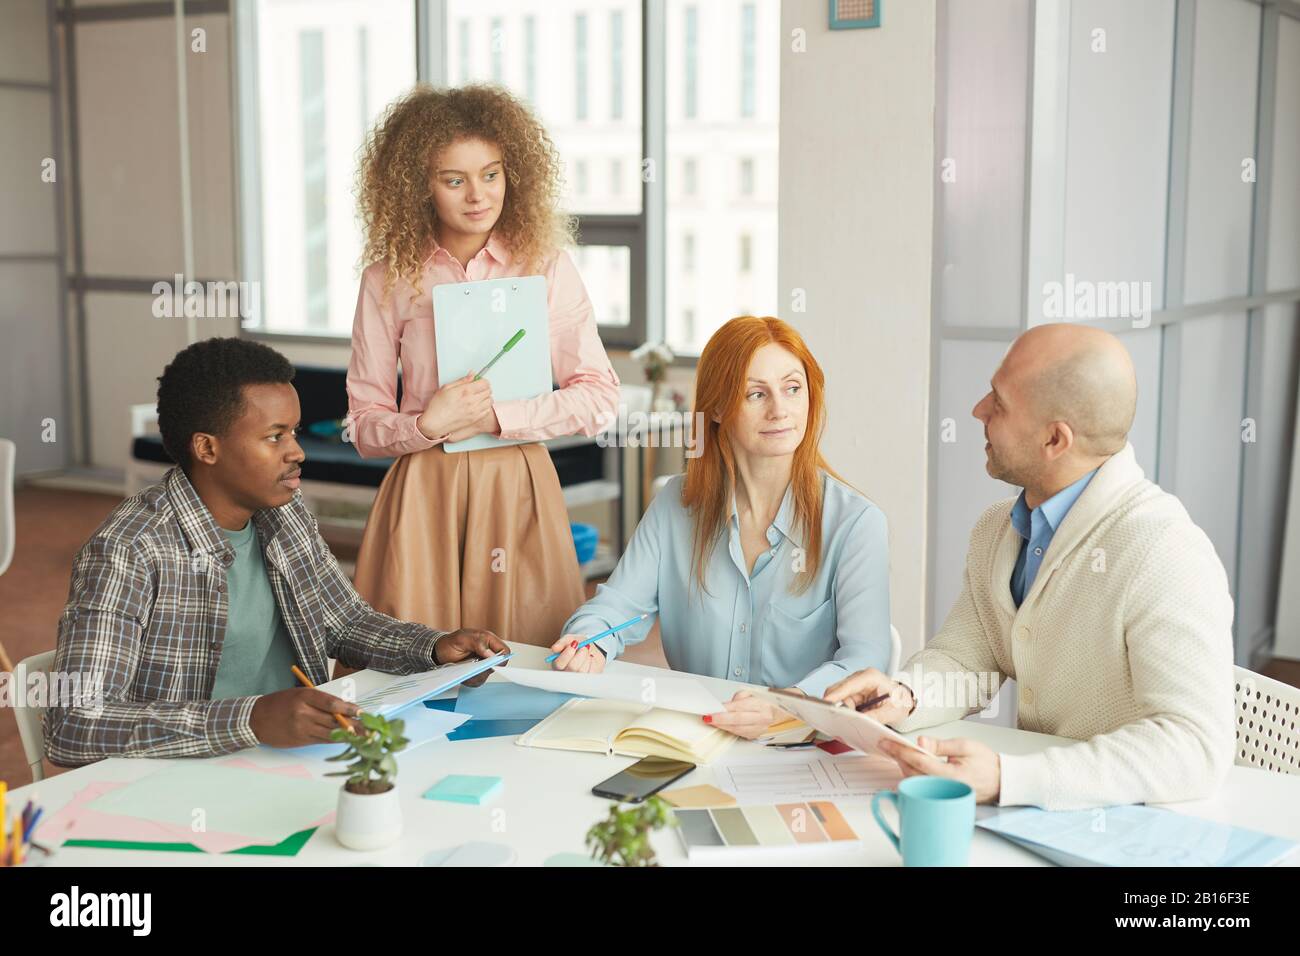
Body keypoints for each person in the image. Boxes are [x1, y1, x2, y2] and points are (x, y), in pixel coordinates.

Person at [825, 323, 1234, 810]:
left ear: (1054, 439)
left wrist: (1011, 778)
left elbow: (1194, 746)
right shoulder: (999, 527)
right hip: (1039, 819)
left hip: (1134, 831)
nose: (978, 410)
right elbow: (969, 659)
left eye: (998, 403)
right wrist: (904, 694)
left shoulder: (1163, 549)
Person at [45, 338, 507, 767]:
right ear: (207, 448)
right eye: (275, 437)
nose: (297, 452)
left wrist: (432, 647)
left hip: (295, 760)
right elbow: (74, 724)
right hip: (184, 778)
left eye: (295, 432)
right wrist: (251, 719)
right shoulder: (129, 549)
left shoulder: (285, 512)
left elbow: (345, 622)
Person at [347, 84, 619, 647]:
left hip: (519, 488)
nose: (478, 196)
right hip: (424, 491)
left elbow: (598, 397)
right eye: (454, 180)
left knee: (526, 656)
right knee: (413, 659)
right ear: (419, 186)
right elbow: (364, 425)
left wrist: (498, 417)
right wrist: (426, 424)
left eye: (491, 174)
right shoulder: (386, 279)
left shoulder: (546, 267)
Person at [551, 316, 892, 739]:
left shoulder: (856, 525)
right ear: (716, 408)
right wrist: (589, 641)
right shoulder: (675, 506)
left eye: (792, 388)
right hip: (697, 737)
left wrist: (786, 706)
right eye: (756, 394)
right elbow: (616, 607)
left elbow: (865, 661)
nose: (780, 410)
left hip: (803, 741)